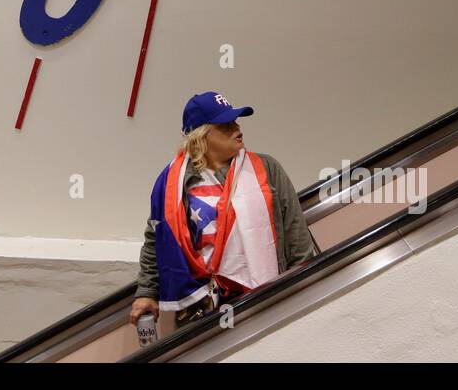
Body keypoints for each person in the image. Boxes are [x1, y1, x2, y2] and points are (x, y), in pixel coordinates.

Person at [129, 91, 317, 327]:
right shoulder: (172, 185)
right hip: (202, 309)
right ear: (201, 137)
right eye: (225, 124)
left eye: (236, 121)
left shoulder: (267, 168)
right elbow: (156, 239)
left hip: (267, 297)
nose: (237, 127)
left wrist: (303, 287)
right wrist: (147, 291)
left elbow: (296, 234)